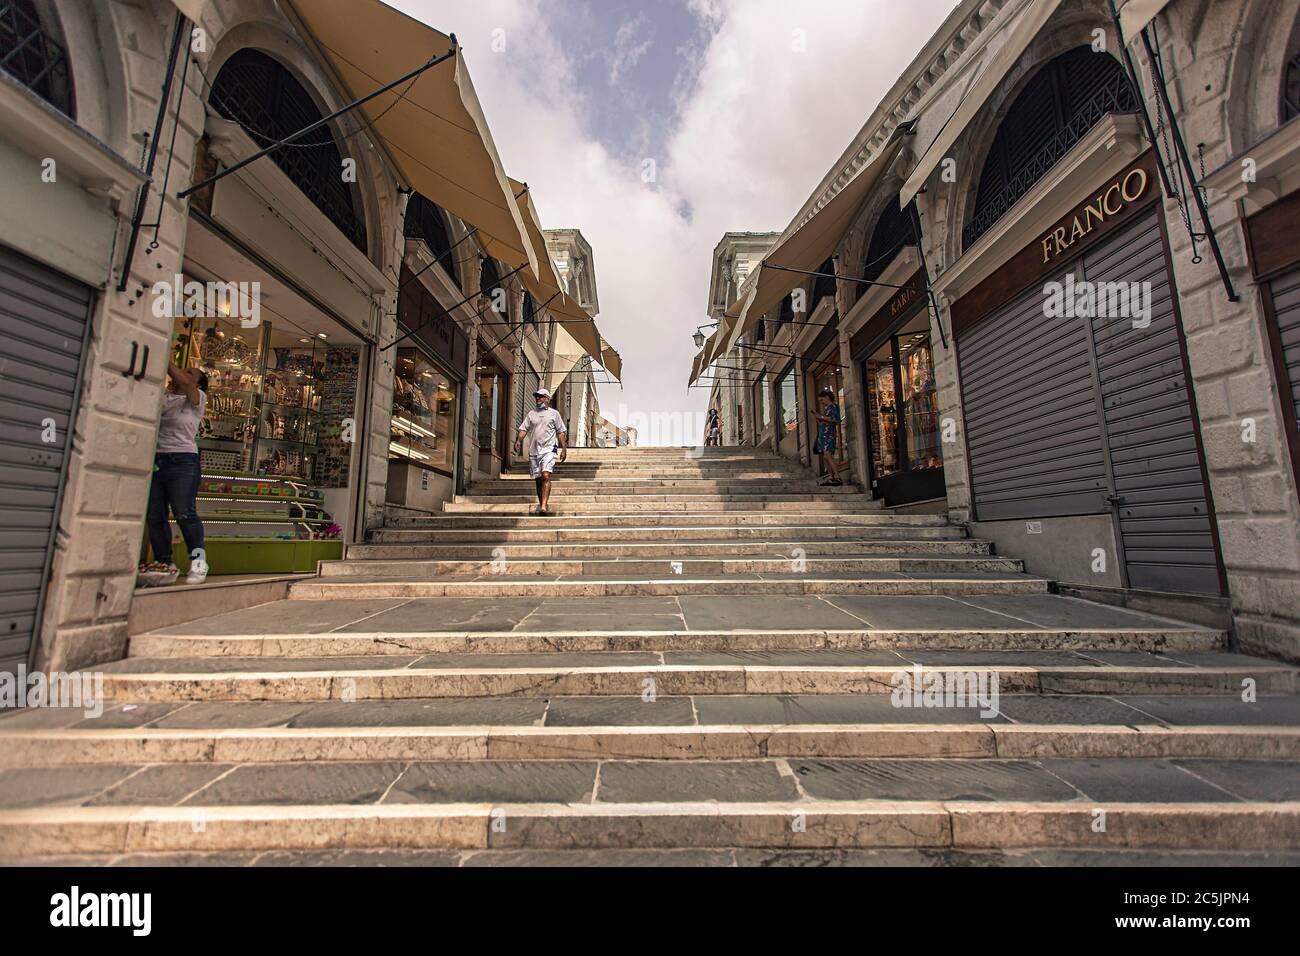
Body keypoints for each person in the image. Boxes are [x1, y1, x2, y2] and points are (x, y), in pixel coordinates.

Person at [139, 361, 210, 586]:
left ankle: (198, 562)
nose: (184, 375)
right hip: (156, 460)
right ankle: (164, 562)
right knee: (155, 516)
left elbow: (186, 383)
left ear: (198, 384)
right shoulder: (163, 397)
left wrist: (165, 359)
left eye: (191, 374)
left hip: (183, 461)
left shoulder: (196, 399)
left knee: (185, 514)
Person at [513, 387, 567, 516]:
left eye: (541, 396)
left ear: (547, 399)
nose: (538, 398)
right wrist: (518, 440)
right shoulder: (531, 414)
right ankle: (542, 502)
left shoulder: (554, 414)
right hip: (534, 450)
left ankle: (543, 506)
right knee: (538, 479)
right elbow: (523, 429)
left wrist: (564, 449)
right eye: (537, 396)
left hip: (549, 449)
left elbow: (561, 432)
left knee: (546, 476)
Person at [814, 387, 843, 486]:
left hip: (829, 435)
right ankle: (831, 477)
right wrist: (819, 418)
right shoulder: (826, 409)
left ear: (827, 397)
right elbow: (825, 421)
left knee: (827, 455)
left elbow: (836, 419)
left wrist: (821, 417)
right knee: (825, 457)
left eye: (822, 400)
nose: (821, 402)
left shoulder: (834, 407)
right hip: (823, 435)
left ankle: (838, 477)